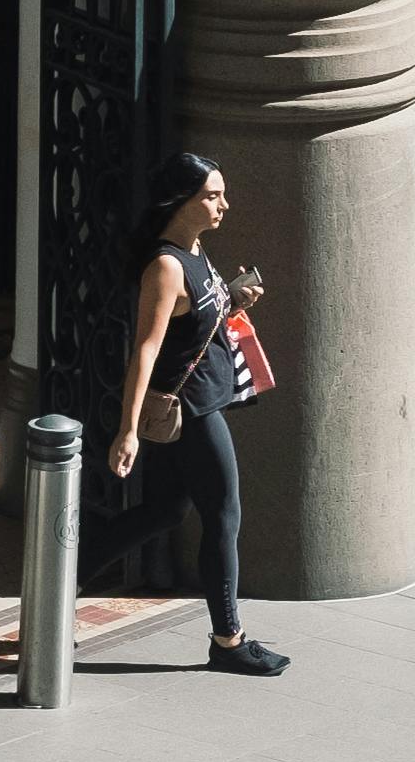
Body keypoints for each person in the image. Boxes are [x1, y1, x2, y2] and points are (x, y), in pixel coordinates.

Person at [105, 153, 287, 676]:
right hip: (192, 413)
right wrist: (127, 429)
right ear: (179, 201)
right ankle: (229, 641)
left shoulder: (195, 250)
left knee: (162, 511)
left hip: (200, 400)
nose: (223, 204)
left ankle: (58, 576)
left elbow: (193, 325)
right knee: (224, 516)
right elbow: (145, 349)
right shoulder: (165, 266)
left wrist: (232, 300)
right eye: (211, 195)